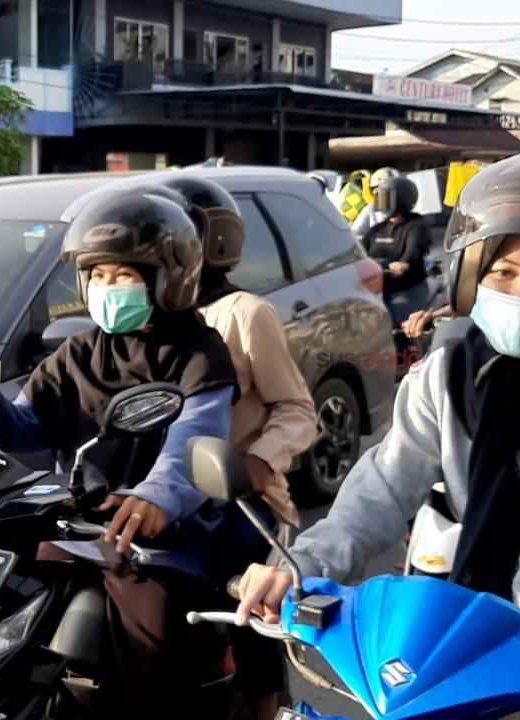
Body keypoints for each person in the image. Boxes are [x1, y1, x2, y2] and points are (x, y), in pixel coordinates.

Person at [235, 149, 520, 630]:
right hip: (471, 609)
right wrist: (300, 567)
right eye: (503, 273)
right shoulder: (446, 375)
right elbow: (383, 484)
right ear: (469, 277)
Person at [0, 189, 241, 717]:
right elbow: (22, 429)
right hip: (74, 524)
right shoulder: (79, 351)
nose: (109, 289)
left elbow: (197, 437)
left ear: (168, 278)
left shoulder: (199, 353)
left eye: (124, 276)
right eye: (99, 276)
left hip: (159, 537)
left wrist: (157, 496)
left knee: (152, 641)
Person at [156, 175, 318, 720]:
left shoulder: (244, 314)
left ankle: (264, 704)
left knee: (246, 599)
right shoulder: (151, 318)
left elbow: (296, 409)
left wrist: (255, 462)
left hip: (239, 497)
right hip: (166, 492)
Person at [361, 175, 433, 356]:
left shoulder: (416, 226)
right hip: (378, 287)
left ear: (401, 199)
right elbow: (360, 253)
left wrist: (403, 264)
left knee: (401, 323)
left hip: (405, 288)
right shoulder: (377, 229)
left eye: (386, 196)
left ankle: (413, 362)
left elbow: (413, 252)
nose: (380, 200)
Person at [350, 166, 400, 240]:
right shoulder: (370, 210)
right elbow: (354, 234)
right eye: (375, 188)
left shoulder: (409, 210)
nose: (377, 192)